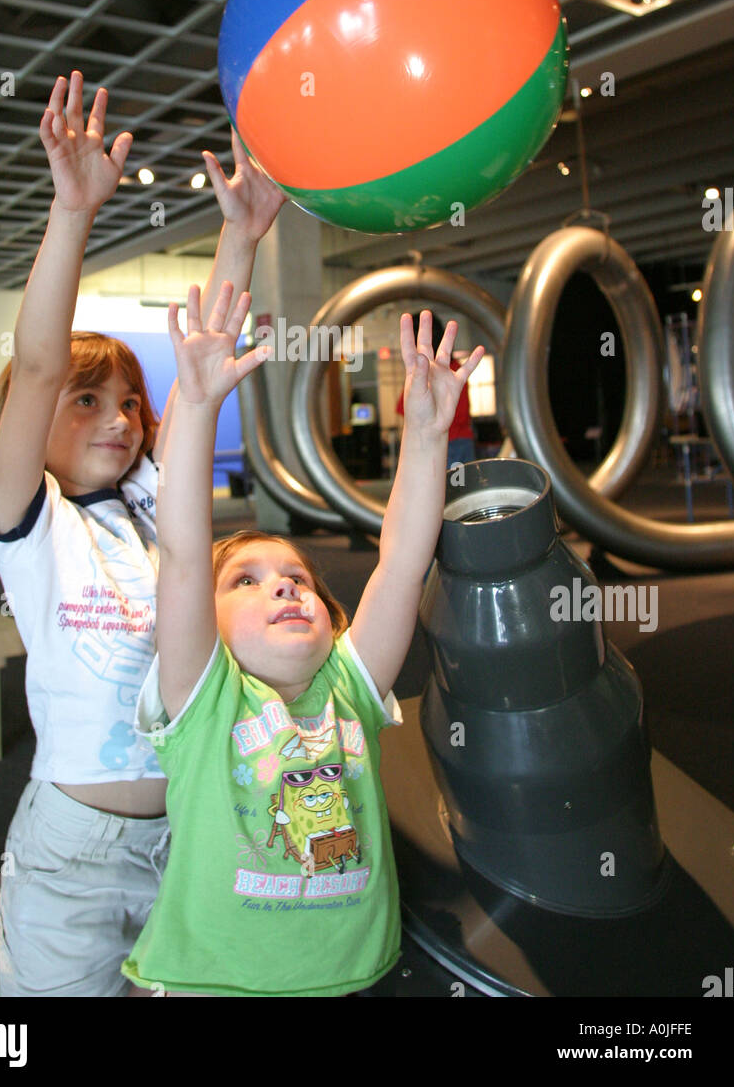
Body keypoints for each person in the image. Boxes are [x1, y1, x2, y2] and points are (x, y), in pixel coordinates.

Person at [0, 71, 284, 997]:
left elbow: (201, 377)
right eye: (89, 402)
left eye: (129, 405)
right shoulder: (29, 525)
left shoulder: (151, 502)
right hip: (73, 858)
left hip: (191, 834)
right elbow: (34, 368)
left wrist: (243, 232)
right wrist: (73, 211)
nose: (120, 419)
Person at [121, 285, 483, 996]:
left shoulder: (348, 684)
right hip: (210, 986)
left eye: (297, 578)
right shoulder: (205, 699)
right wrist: (195, 406)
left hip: (349, 978)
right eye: (247, 582)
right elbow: (187, 557)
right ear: (207, 623)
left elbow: (403, 563)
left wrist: (427, 432)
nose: (284, 586)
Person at [396, 312, 475, 470]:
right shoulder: (456, 370)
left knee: (445, 494)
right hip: (462, 443)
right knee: (461, 492)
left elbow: (401, 408)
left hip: (442, 445)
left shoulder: (424, 375)